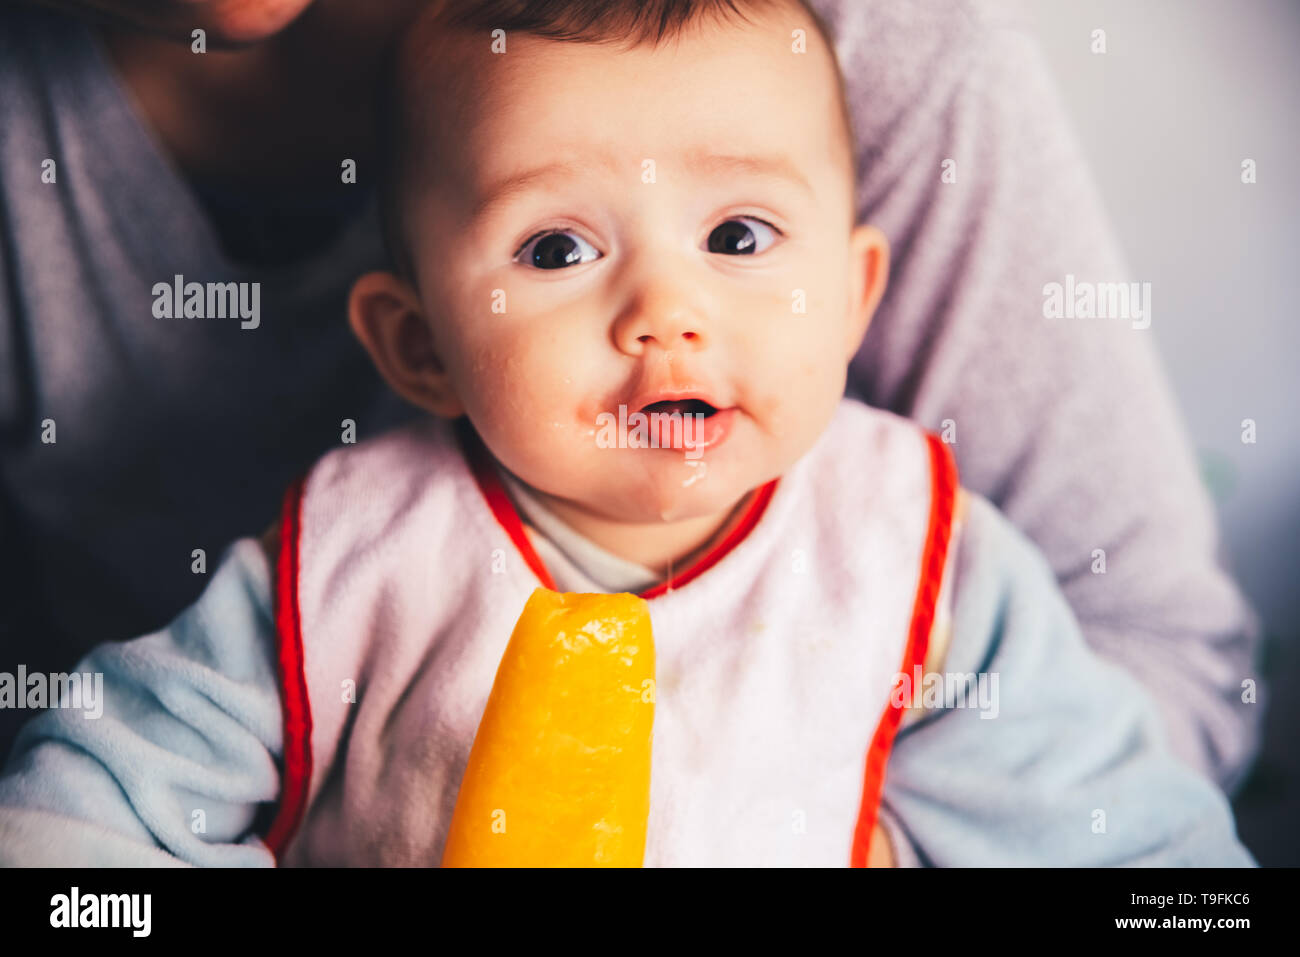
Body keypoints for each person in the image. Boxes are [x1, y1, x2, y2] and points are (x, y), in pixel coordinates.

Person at [0, 0, 1254, 867]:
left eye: (741, 238)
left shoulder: (927, 567)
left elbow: (1139, 834)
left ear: (856, 296)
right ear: (417, 344)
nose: (666, 314)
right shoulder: (339, 565)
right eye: (557, 249)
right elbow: (83, 819)